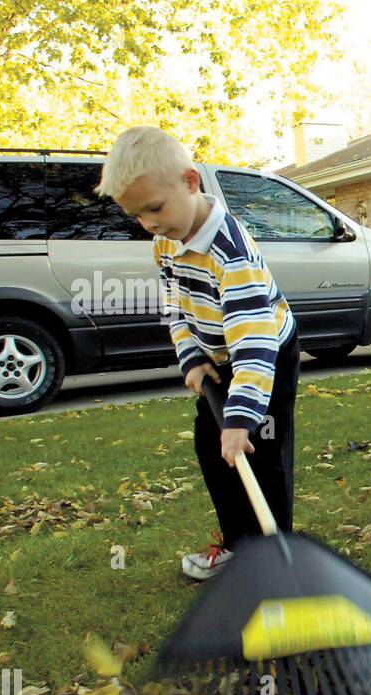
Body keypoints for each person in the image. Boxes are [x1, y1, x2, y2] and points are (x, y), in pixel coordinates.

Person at [96, 126, 300, 579]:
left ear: (190, 182)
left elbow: (254, 342)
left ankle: (274, 560)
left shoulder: (231, 252)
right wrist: (190, 353)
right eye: (136, 215)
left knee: (260, 453)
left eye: (154, 208)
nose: (148, 223)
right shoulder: (166, 242)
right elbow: (175, 304)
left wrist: (241, 419)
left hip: (264, 356)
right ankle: (237, 546)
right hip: (221, 356)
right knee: (213, 448)